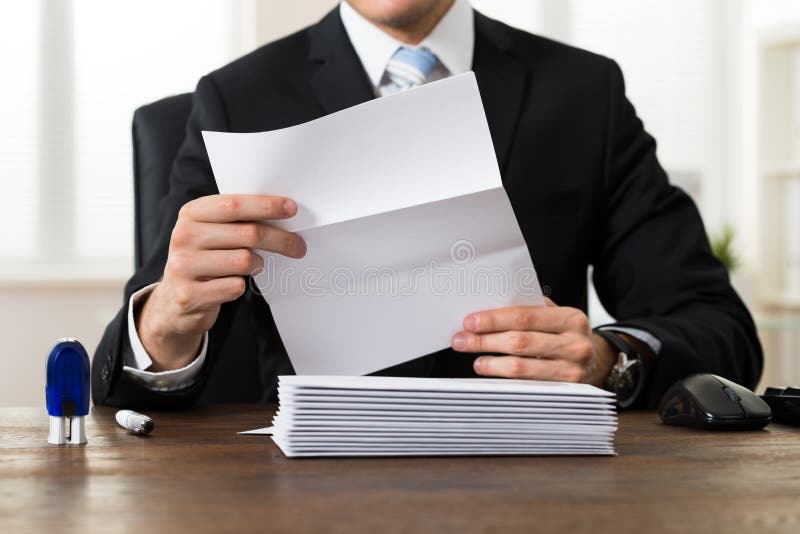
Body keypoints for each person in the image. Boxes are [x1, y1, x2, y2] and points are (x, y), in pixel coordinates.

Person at [92, 0, 762, 409]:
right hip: (305, 492)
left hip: (542, 489)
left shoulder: (584, 93)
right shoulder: (237, 99)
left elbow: (719, 329)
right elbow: (123, 372)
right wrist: (168, 323)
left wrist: (610, 359)